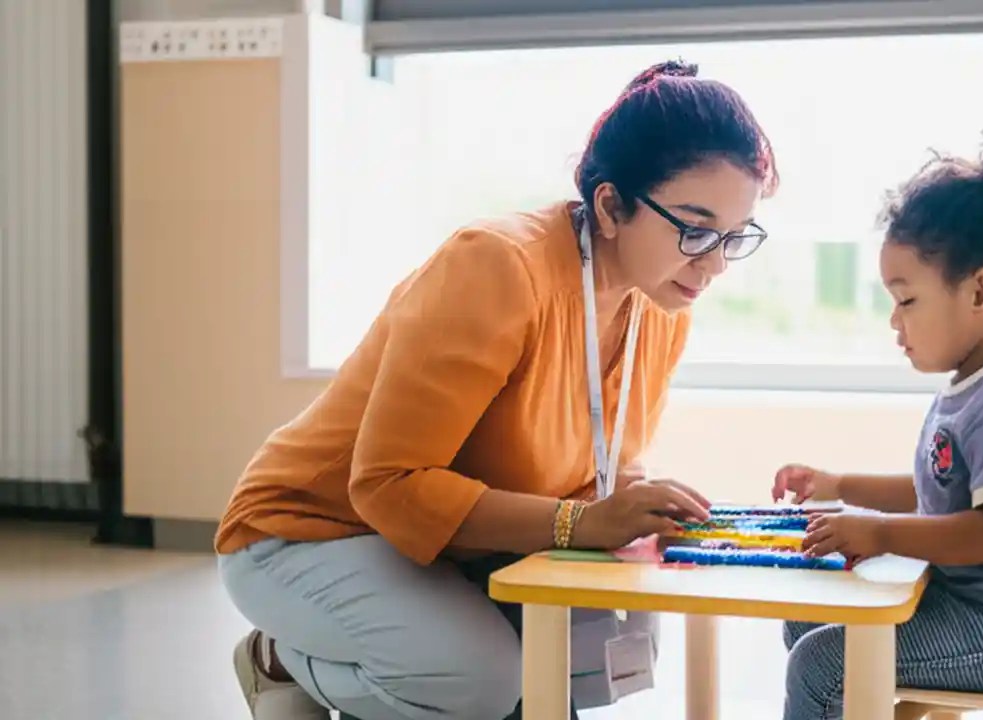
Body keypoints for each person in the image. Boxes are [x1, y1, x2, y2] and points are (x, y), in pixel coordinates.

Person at [215, 59, 778, 720]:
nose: (713, 264)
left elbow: (601, 464)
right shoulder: (499, 268)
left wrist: (639, 505)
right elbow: (387, 483)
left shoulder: (657, 304)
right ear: (611, 205)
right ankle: (280, 659)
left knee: (578, 649)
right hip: (312, 530)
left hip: (442, 545)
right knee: (478, 681)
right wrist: (582, 522)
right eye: (695, 228)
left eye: (733, 237)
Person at [772, 131, 983, 719]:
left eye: (906, 301)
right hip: (975, 602)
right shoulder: (976, 388)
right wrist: (840, 484)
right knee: (808, 612)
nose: (894, 322)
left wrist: (879, 533)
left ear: (982, 292)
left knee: (821, 666)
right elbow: (938, 492)